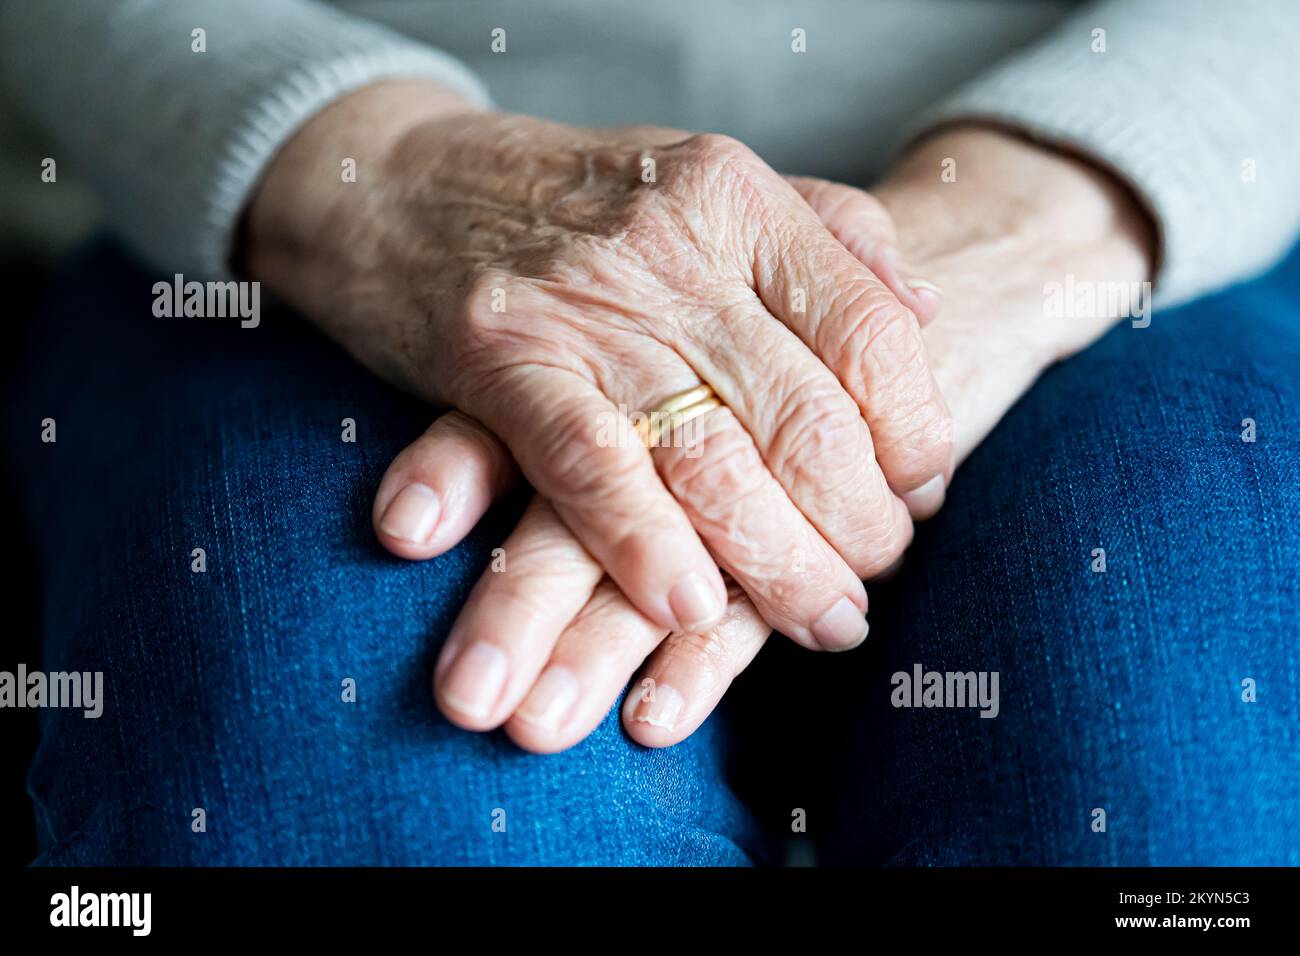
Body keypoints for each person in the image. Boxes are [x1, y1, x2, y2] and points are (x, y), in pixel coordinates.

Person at [3, 0, 1297, 865]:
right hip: (316, 200)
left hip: (1147, 179)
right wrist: (372, 169)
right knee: (361, 797)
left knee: (1168, 776)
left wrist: (1036, 216)